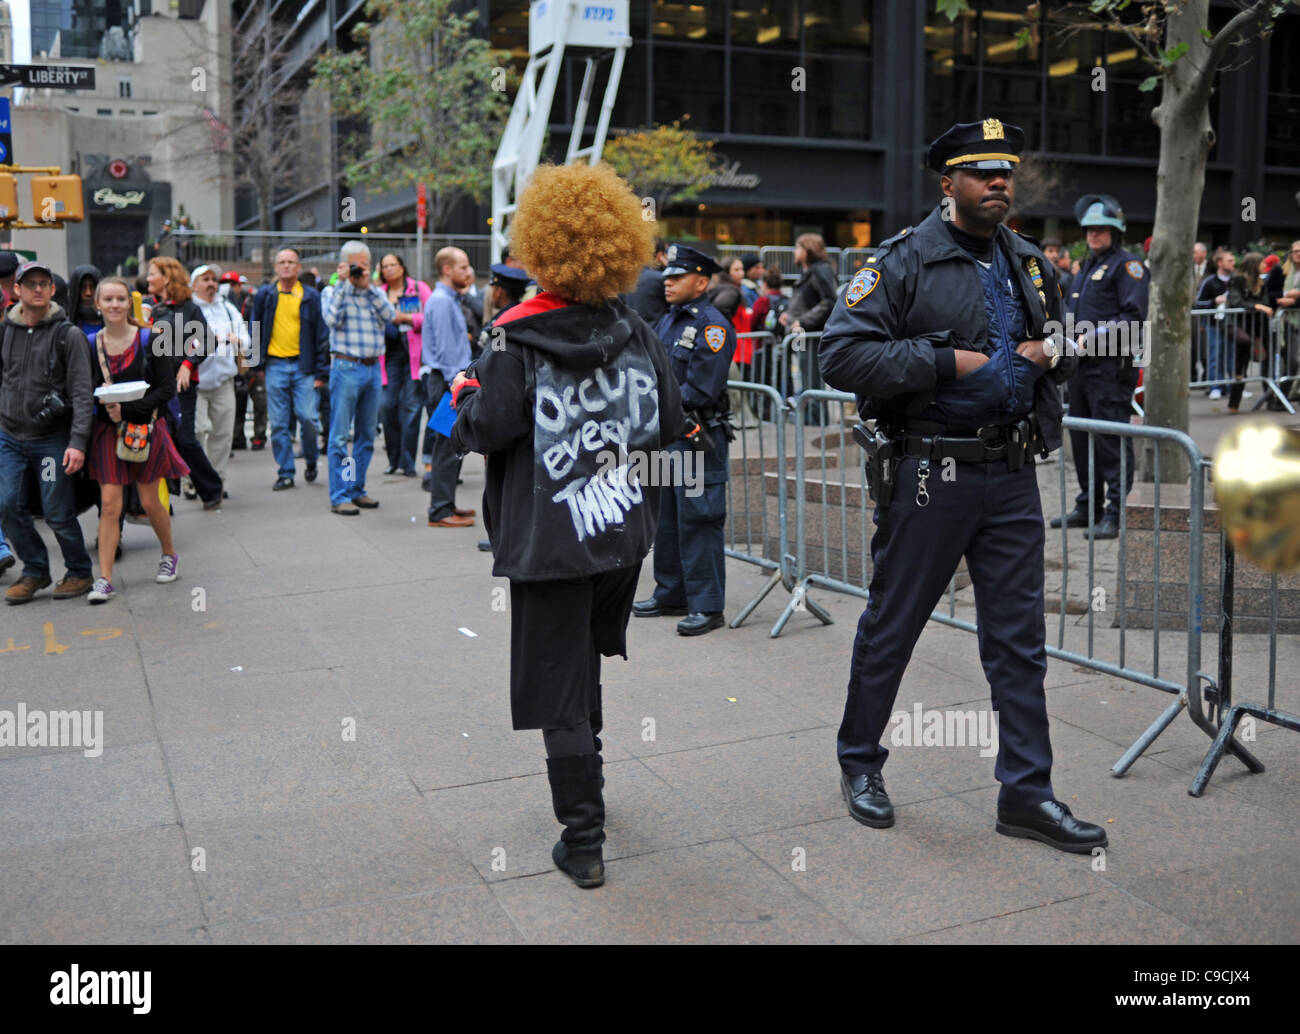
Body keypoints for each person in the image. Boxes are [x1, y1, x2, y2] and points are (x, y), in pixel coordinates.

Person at [819, 117, 1105, 855]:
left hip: (1011, 475)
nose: (998, 182)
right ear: (948, 183)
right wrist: (944, 363)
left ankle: (1027, 794)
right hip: (930, 472)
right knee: (894, 625)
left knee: (1020, 643)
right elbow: (842, 355)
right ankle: (860, 764)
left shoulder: (1031, 262)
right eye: (981, 171)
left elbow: (1064, 342)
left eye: (1005, 169)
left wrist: (1056, 352)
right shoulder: (905, 261)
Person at [450, 161, 684, 889]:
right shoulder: (637, 329)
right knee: (582, 668)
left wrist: (464, 394)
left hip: (551, 542)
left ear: (540, 247)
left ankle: (582, 840)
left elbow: (484, 430)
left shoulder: (513, 340)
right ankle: (594, 800)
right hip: (621, 537)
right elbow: (670, 426)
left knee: (557, 682)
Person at [632, 244, 736, 636]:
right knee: (667, 520)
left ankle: (708, 606)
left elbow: (700, 390)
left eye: (677, 277)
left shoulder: (711, 325)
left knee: (698, 519)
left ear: (702, 281)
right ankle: (671, 593)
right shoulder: (669, 320)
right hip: (668, 434)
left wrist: (658, 405)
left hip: (695, 436)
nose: (668, 283)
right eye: (667, 276)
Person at [85, 277, 190, 603]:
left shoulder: (151, 337)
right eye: (108, 300)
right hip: (107, 432)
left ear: (128, 303)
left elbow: (166, 390)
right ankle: (103, 579)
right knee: (110, 506)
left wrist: (127, 409)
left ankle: (169, 553)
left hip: (146, 429)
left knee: (149, 502)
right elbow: (84, 391)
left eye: (120, 299)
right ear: (97, 304)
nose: (114, 305)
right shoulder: (90, 344)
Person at [1051, 193, 1148, 540]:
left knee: (1110, 441)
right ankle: (1087, 505)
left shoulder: (1128, 266)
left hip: (1109, 368)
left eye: (1101, 229)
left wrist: (1089, 338)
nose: (1094, 235)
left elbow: (1133, 317)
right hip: (1080, 369)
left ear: (1115, 230)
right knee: (1080, 440)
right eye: (1090, 229)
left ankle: (1116, 512)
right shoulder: (1087, 266)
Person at [0, 261, 96, 604]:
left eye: (43, 283)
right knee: (6, 504)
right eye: (30, 284)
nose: (37, 289)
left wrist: (78, 442)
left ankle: (79, 571)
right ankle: (36, 570)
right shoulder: (6, 329)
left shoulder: (67, 334)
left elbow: (83, 392)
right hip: (9, 437)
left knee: (56, 511)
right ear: (17, 290)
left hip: (51, 441)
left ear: (52, 290)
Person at [321, 241, 395, 516]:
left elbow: (390, 316)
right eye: (354, 264)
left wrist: (368, 287)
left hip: (373, 368)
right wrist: (344, 284)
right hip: (346, 367)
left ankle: (356, 489)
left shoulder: (372, 292)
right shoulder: (332, 291)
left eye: (363, 264)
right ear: (343, 265)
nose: (358, 269)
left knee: (366, 435)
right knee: (340, 435)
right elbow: (330, 319)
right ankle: (339, 495)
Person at [145, 257, 224, 511]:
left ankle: (211, 488)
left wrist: (188, 364)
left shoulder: (188, 308)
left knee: (186, 439)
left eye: (152, 273)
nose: (148, 278)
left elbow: (208, 341)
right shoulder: (148, 308)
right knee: (158, 441)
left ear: (166, 277)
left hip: (182, 386)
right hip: (154, 386)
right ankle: (162, 502)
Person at [252, 248, 330, 491]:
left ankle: (310, 459)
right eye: (282, 262)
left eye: (291, 262)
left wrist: (321, 372)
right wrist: (257, 365)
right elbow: (254, 328)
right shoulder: (265, 295)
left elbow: (321, 335)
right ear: (276, 268)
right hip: (274, 365)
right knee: (279, 423)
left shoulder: (310, 296)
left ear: (298, 268)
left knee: (308, 418)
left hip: (303, 367)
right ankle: (285, 471)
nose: (286, 266)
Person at [421, 247, 475, 528]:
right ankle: (440, 511)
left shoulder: (448, 298)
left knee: (454, 445)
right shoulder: (442, 301)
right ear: (447, 270)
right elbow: (446, 352)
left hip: (450, 381)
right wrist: (459, 387)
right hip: (447, 383)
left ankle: (447, 504)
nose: (469, 272)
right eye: (464, 267)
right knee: (447, 446)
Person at [188, 265, 248, 498]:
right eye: (205, 279)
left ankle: (216, 481)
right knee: (197, 432)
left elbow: (245, 337)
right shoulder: (188, 309)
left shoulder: (228, 308)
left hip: (224, 381)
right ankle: (193, 480)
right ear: (194, 285)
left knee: (222, 435)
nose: (211, 283)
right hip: (195, 383)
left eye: (214, 279)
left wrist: (237, 339)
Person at [377, 253, 430, 477]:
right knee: (387, 407)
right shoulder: (378, 293)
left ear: (402, 266)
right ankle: (394, 459)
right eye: (385, 266)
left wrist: (408, 319)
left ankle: (408, 462)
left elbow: (431, 316)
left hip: (414, 357)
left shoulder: (418, 289)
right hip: (387, 357)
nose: (389, 269)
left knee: (411, 408)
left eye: (393, 265)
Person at [1226, 252, 1273, 414]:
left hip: (1257, 325)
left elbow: (1266, 301)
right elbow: (1236, 301)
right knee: (1243, 353)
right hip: (1236, 324)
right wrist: (1257, 306)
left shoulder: (1262, 282)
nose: (1264, 266)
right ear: (1254, 264)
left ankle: (1271, 398)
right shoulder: (1238, 279)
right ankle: (1234, 403)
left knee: (1270, 357)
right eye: (1262, 263)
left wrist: (1257, 305)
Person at [224, 272, 266, 450]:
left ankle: (259, 435)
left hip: (252, 355)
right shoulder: (223, 305)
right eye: (228, 283)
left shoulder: (252, 301)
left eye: (234, 283)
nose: (231, 287)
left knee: (260, 398)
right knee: (237, 398)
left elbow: (259, 329)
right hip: (234, 357)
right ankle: (237, 436)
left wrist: (260, 361)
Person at [1197, 249, 1235, 399]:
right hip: (1214, 324)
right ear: (1220, 263)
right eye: (1229, 260)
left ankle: (1235, 385)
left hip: (1233, 324)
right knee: (1215, 355)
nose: (1233, 263)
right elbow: (1199, 302)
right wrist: (1214, 301)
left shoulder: (1236, 280)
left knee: (1233, 355)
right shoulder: (1209, 281)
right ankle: (1215, 386)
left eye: (1233, 260)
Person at [627, 237, 669, 324]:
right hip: (654, 334)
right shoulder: (661, 278)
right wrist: (670, 267)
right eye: (666, 253)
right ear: (660, 256)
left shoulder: (626, 278)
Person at [69, 265, 104, 338]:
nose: (88, 293)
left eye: (93, 287)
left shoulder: (114, 323)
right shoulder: (64, 329)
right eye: (83, 287)